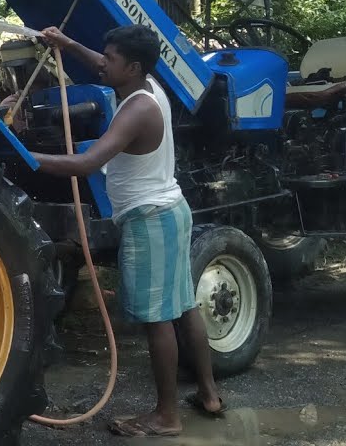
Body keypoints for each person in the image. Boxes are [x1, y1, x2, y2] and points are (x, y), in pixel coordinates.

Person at [24, 24, 224, 438]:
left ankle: (166, 417)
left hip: (150, 219)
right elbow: (100, 62)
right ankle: (208, 395)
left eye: (110, 59)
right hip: (170, 210)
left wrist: (22, 154)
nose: (102, 62)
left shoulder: (137, 109)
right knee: (184, 307)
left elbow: (84, 165)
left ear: (131, 67)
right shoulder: (146, 84)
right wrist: (68, 42)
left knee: (158, 320)